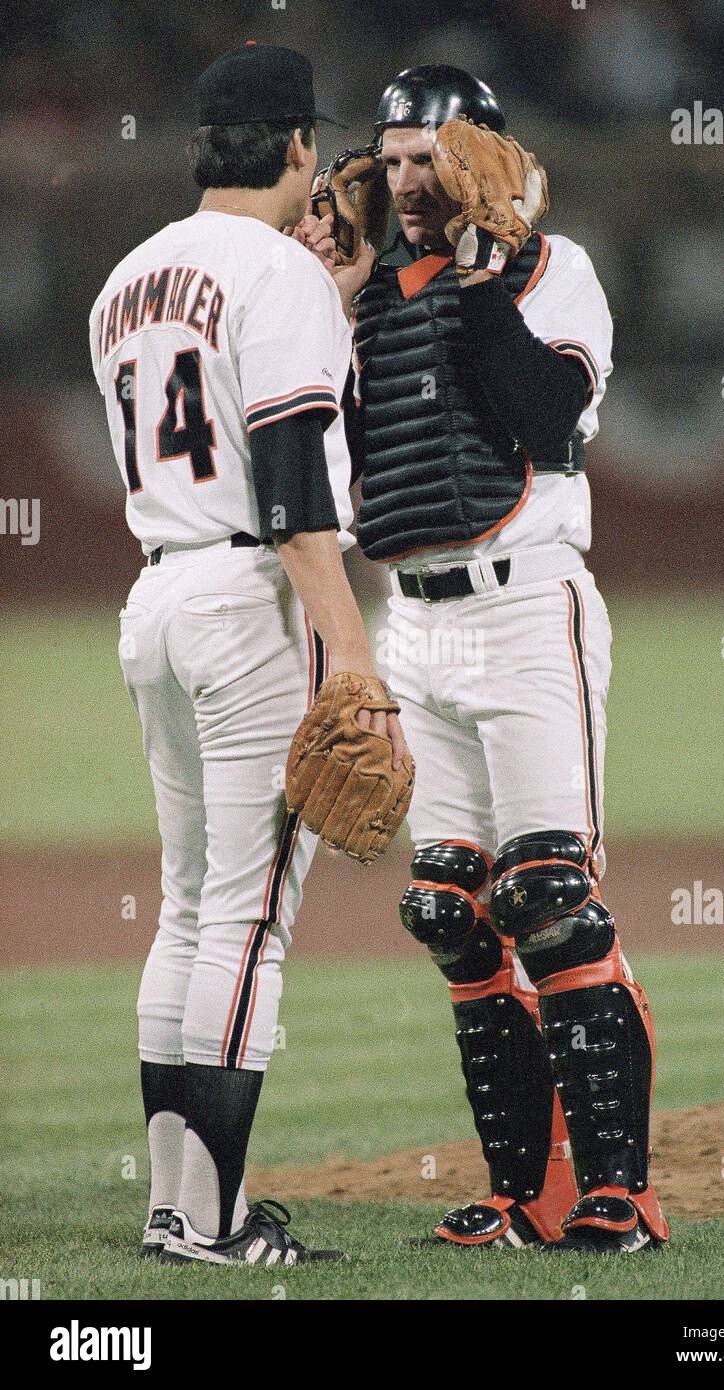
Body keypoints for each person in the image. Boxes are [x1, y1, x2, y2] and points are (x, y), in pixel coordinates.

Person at [306, 64, 669, 1252]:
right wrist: (351, 294)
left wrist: (475, 279)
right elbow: (350, 467)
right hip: (417, 620)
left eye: (434, 160)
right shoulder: (360, 295)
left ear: (484, 163)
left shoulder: (550, 271)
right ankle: (526, 1197)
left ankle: (621, 1191)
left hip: (526, 612)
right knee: (451, 912)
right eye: (394, 162)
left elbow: (543, 418)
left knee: (549, 899)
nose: (410, 184)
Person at [88, 42, 406, 1267]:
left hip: (155, 598)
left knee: (185, 905)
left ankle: (176, 1210)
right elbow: (293, 492)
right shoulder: (276, 274)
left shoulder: (124, 279)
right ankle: (212, 1223)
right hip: (246, 602)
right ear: (296, 149)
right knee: (252, 915)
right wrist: (352, 659)